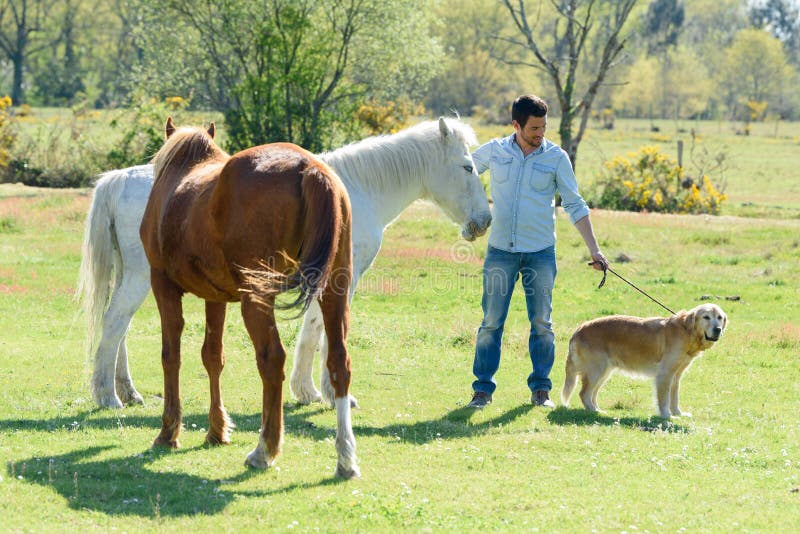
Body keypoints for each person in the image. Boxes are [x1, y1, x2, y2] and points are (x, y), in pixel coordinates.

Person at [467, 94, 609, 409]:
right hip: (500, 252)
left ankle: (541, 391)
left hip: (540, 252)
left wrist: (595, 250)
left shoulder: (556, 158)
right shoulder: (495, 151)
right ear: (516, 125)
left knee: (542, 323)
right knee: (491, 322)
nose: (540, 133)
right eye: (533, 127)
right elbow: (462, 173)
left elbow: (574, 204)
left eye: (543, 127)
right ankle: (482, 390)